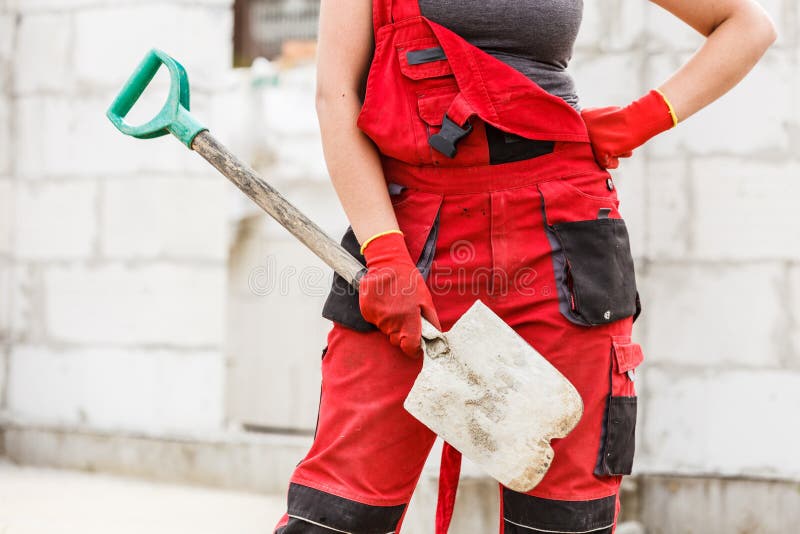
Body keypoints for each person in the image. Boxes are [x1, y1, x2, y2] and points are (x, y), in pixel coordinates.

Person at [275, 0, 776, 532]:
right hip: (408, 232)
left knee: (565, 518)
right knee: (333, 515)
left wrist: (640, 120)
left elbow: (747, 26)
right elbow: (337, 95)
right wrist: (384, 250)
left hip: (560, 240)